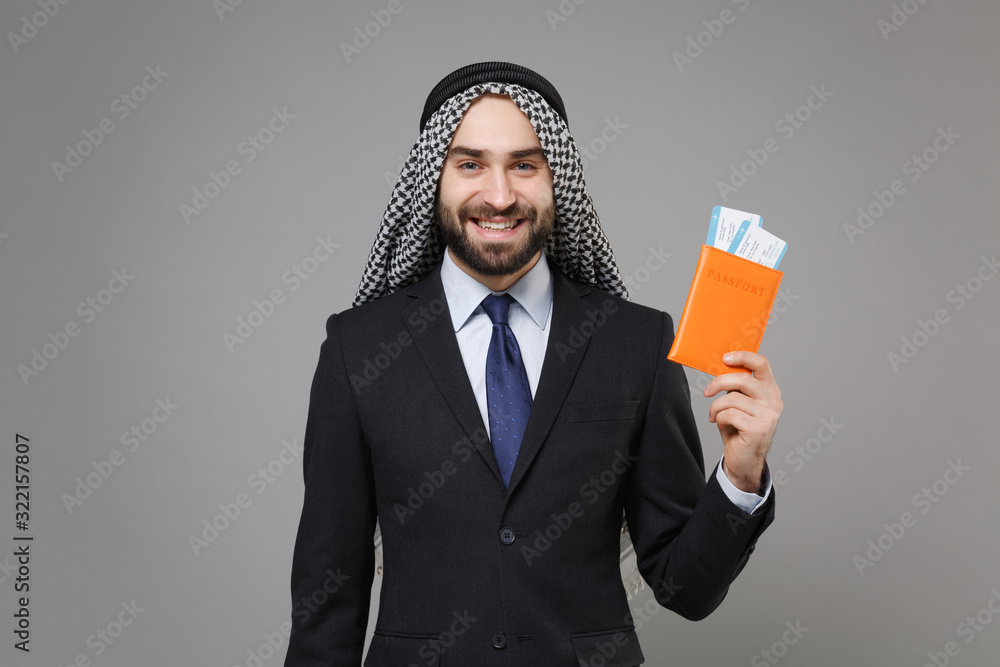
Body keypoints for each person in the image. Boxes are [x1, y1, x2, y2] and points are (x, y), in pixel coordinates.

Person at [283, 62, 781, 667]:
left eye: (525, 164)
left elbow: (687, 589)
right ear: (432, 182)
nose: (499, 195)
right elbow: (327, 599)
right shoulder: (357, 348)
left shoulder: (636, 341)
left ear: (556, 180)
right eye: (470, 164)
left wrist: (742, 473)